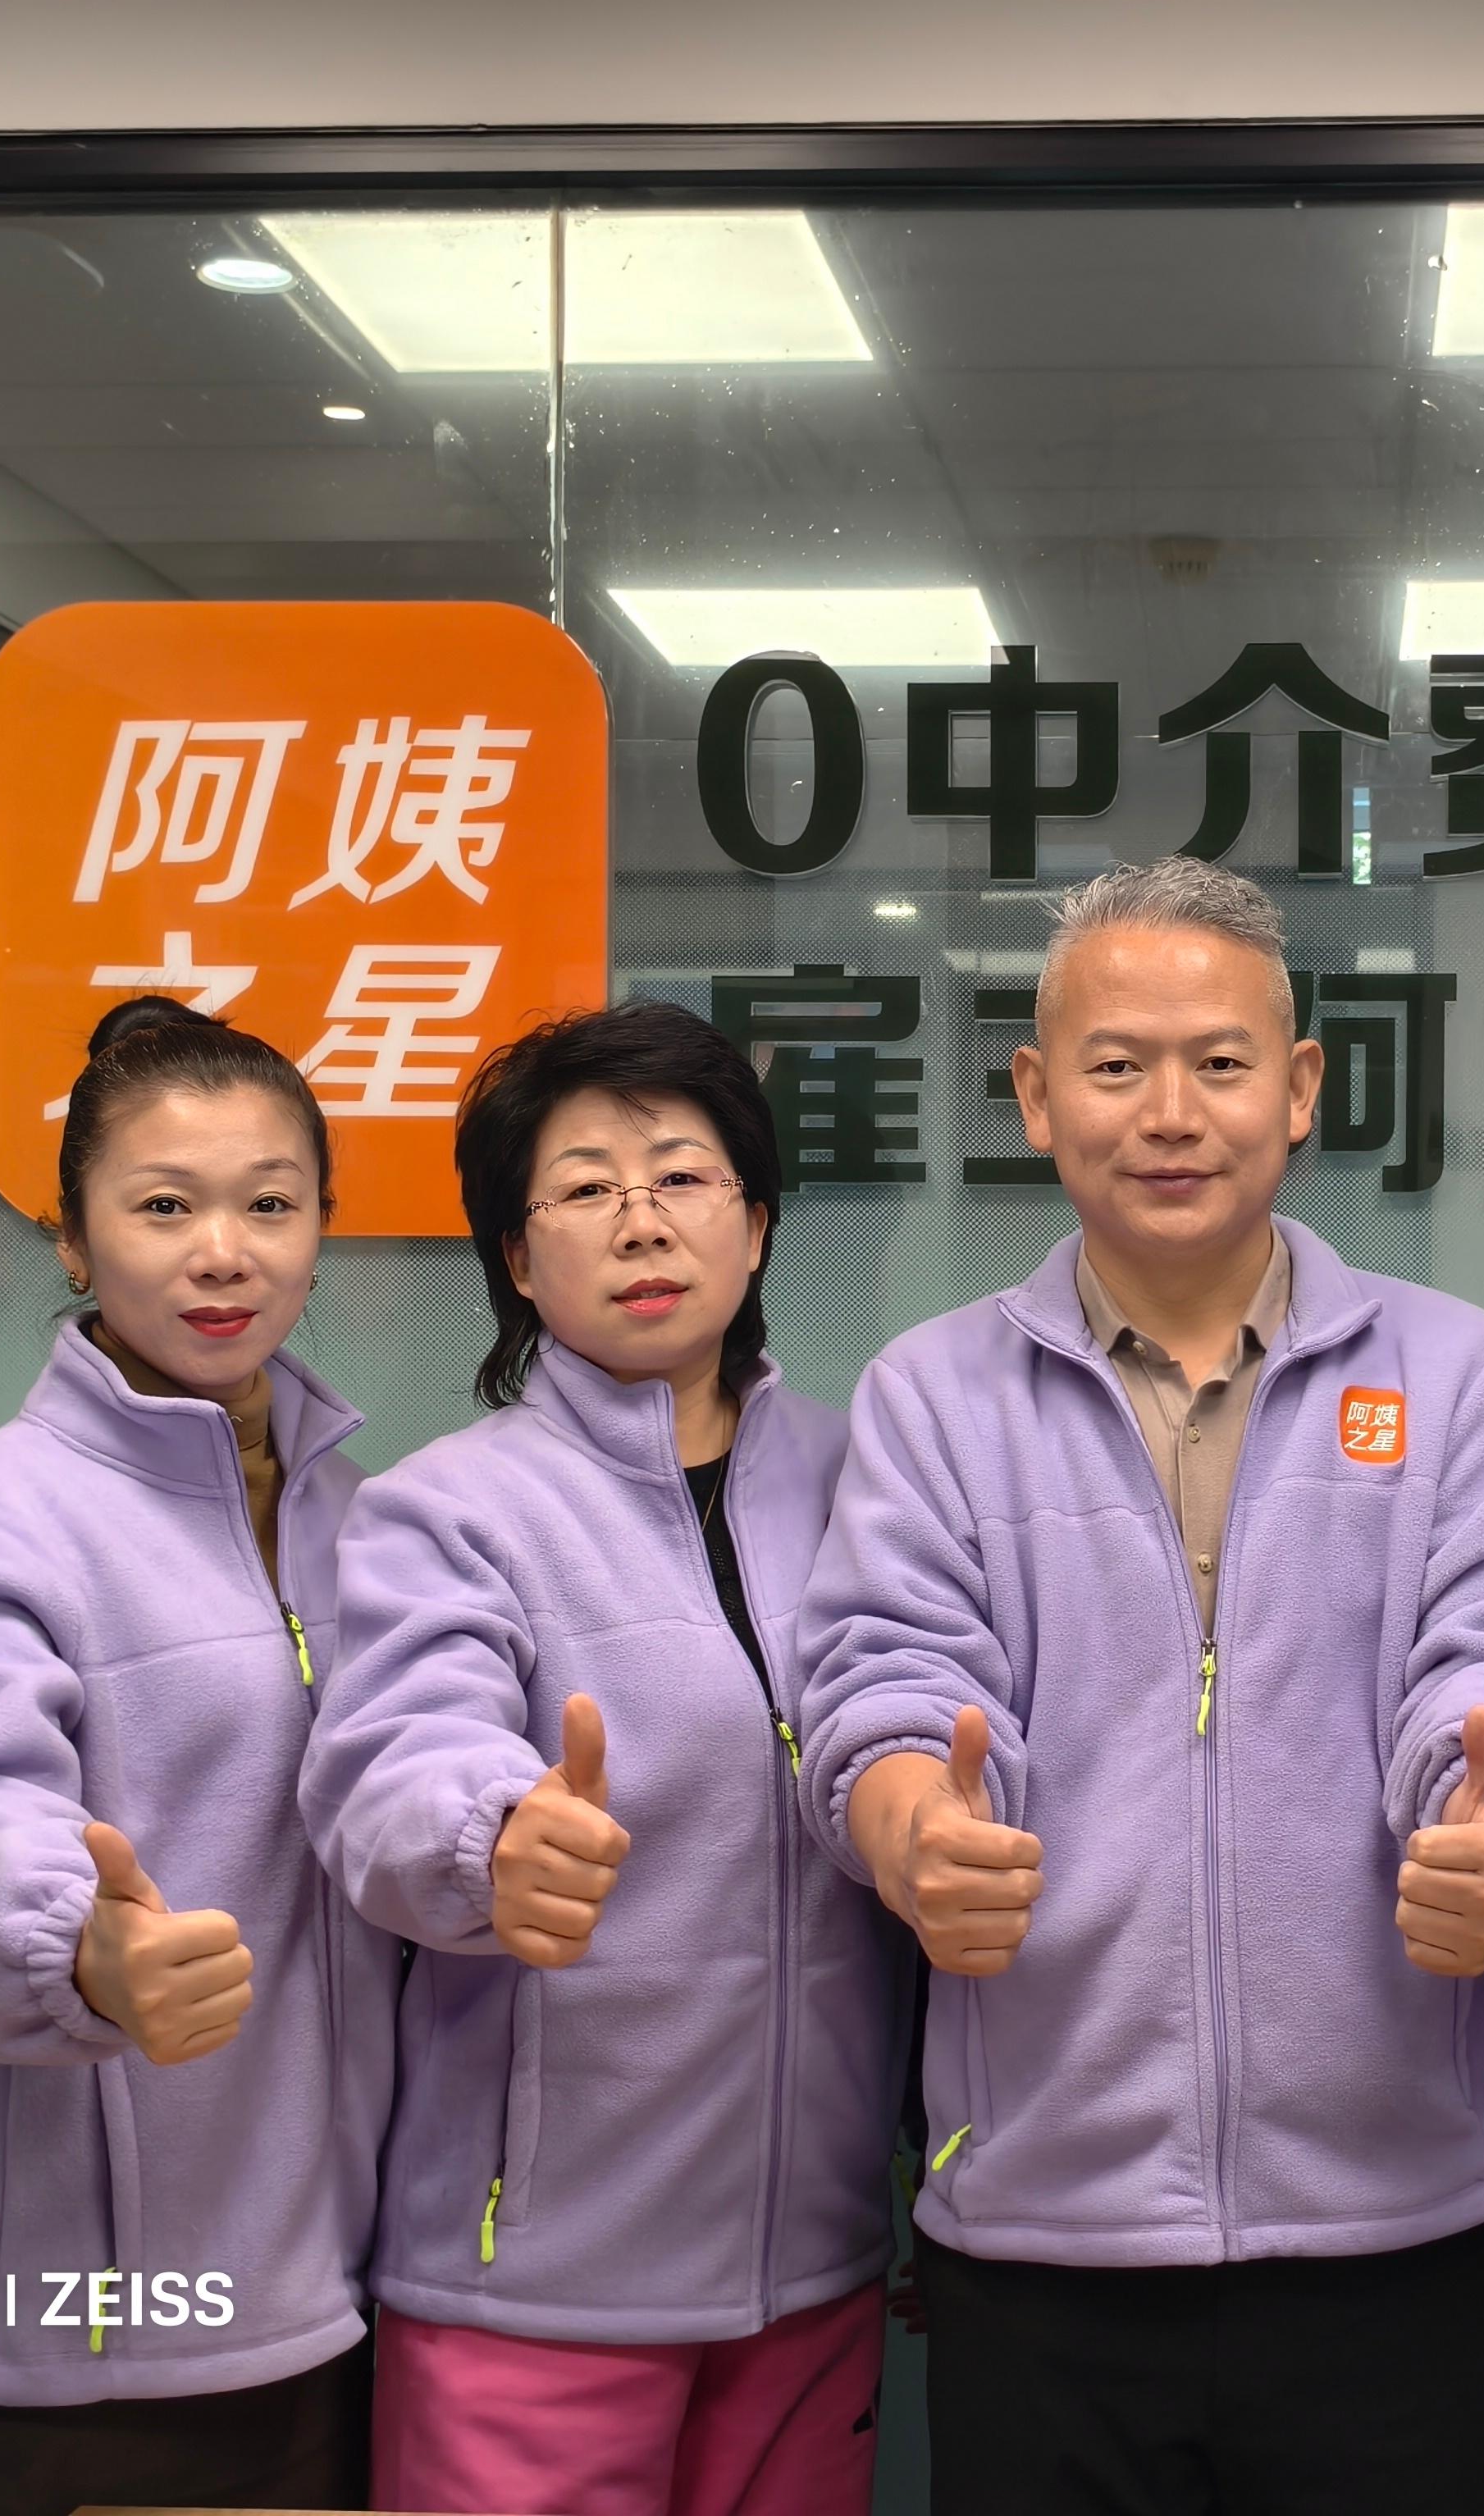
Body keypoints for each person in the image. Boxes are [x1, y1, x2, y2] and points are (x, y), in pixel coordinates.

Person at [789, 856, 1484, 2516]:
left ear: (1297, 1089)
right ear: (1037, 1098)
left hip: (1396, 2227)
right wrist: (912, 1829)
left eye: (1219, 1063)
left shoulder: (1447, 1370)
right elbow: (885, 1676)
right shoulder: (933, 1393)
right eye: (1116, 1065)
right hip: (1043, 2231)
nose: (1170, 1113)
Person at [301, 999, 906, 2516]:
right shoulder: (450, 1510)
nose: (641, 1220)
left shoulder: (869, 1480)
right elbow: (390, 1761)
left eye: (684, 1177)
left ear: (756, 1226)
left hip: (814, 2273)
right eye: (584, 1188)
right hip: (533, 2286)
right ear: (518, 1258)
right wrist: (492, 1835)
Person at [0, 996, 394, 2516]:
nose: (224, 1253)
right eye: (164, 1207)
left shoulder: (367, 1522)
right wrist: (82, 1948)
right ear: (73, 1240)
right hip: (88, 2352)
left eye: (270, 1205)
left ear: (321, 1230)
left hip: (340, 2294)